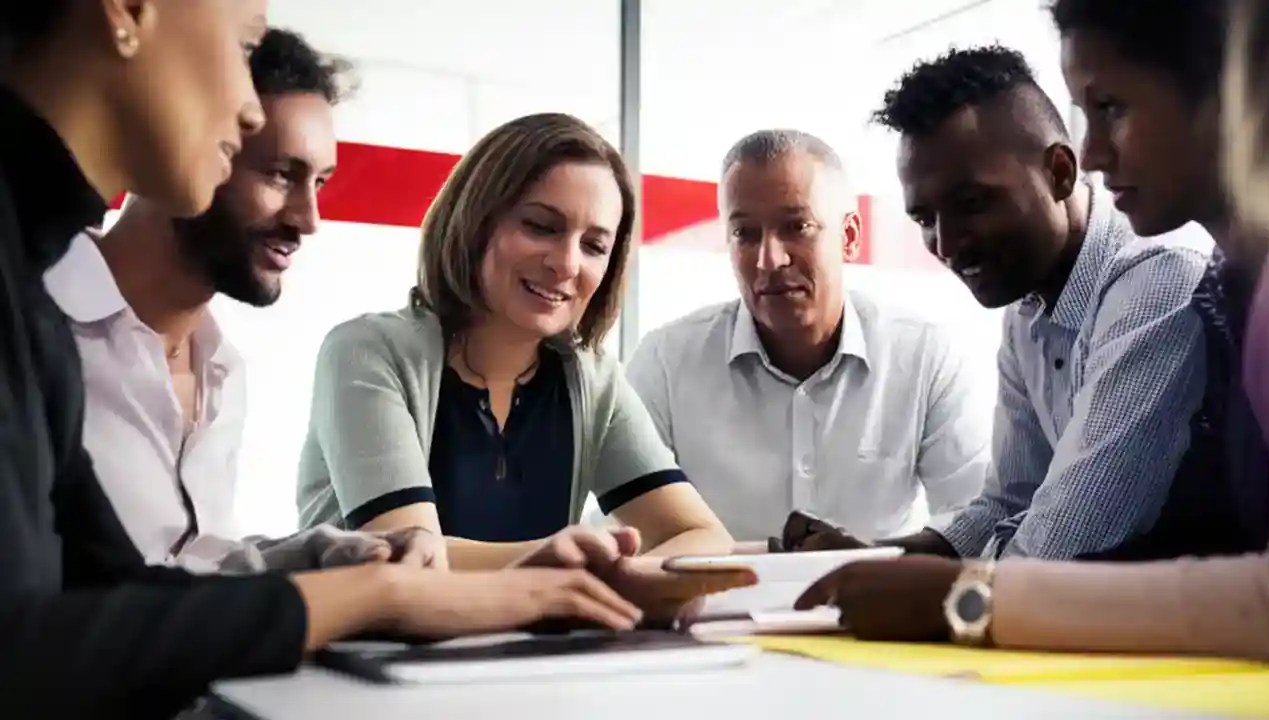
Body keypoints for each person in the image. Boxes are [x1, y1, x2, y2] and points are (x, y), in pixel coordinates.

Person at [0, 4, 680, 716]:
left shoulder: (213, 361)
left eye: (597, 244)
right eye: (241, 47)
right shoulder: (35, 295)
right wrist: (384, 592)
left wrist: (332, 563)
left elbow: (130, 581)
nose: (310, 218)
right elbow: (21, 643)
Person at [795, 0, 1269, 662]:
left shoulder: (1168, 277)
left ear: (1224, 91)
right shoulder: (1034, 306)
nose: (1093, 153)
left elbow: (1062, 542)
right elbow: (1009, 501)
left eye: (1112, 107)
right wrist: (887, 563)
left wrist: (954, 600)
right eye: (924, 217)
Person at [42, 27, 437, 573]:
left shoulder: (220, 366)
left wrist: (316, 554)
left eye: (319, 183)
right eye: (280, 174)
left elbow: (182, 568)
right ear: (195, 145)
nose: (308, 219)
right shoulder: (38, 320)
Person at [296, 112, 738, 578]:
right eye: (541, 227)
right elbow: (411, 562)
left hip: (534, 648)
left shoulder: (592, 377)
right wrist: (577, 564)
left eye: (593, 246)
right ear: (476, 221)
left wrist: (608, 574)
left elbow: (704, 537)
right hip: (375, 648)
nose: (566, 263)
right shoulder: (367, 352)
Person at [626, 129, 988, 543]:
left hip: (872, 605)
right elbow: (629, 534)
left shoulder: (924, 357)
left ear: (849, 237)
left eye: (797, 226)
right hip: (711, 605)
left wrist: (863, 560)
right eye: (745, 233)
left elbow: (974, 518)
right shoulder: (665, 363)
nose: (770, 259)